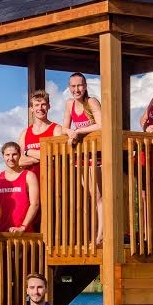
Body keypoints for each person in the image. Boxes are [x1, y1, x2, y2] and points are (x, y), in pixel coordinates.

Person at [63, 72, 104, 244]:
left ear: (85, 86)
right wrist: (70, 132)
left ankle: (100, 235)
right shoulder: (69, 104)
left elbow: (102, 124)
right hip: (80, 156)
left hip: (97, 154)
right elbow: (63, 127)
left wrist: (78, 131)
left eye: (79, 85)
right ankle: (90, 232)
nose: (76, 89)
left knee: (98, 195)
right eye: (73, 86)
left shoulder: (91, 102)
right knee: (86, 195)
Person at [16, 89, 64, 178]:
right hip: (30, 185)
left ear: (48, 106)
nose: (40, 108)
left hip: (51, 184)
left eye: (43, 105)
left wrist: (28, 152)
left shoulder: (57, 130)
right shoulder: (25, 133)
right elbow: (20, 161)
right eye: (36, 105)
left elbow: (56, 158)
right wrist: (41, 157)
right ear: (31, 109)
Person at [0, 141, 40, 234]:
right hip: (0, 234)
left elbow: (34, 204)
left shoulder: (29, 176)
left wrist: (23, 226)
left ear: (20, 155)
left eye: (14, 154)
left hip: (23, 234)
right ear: (3, 156)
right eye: (7, 155)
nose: (11, 158)